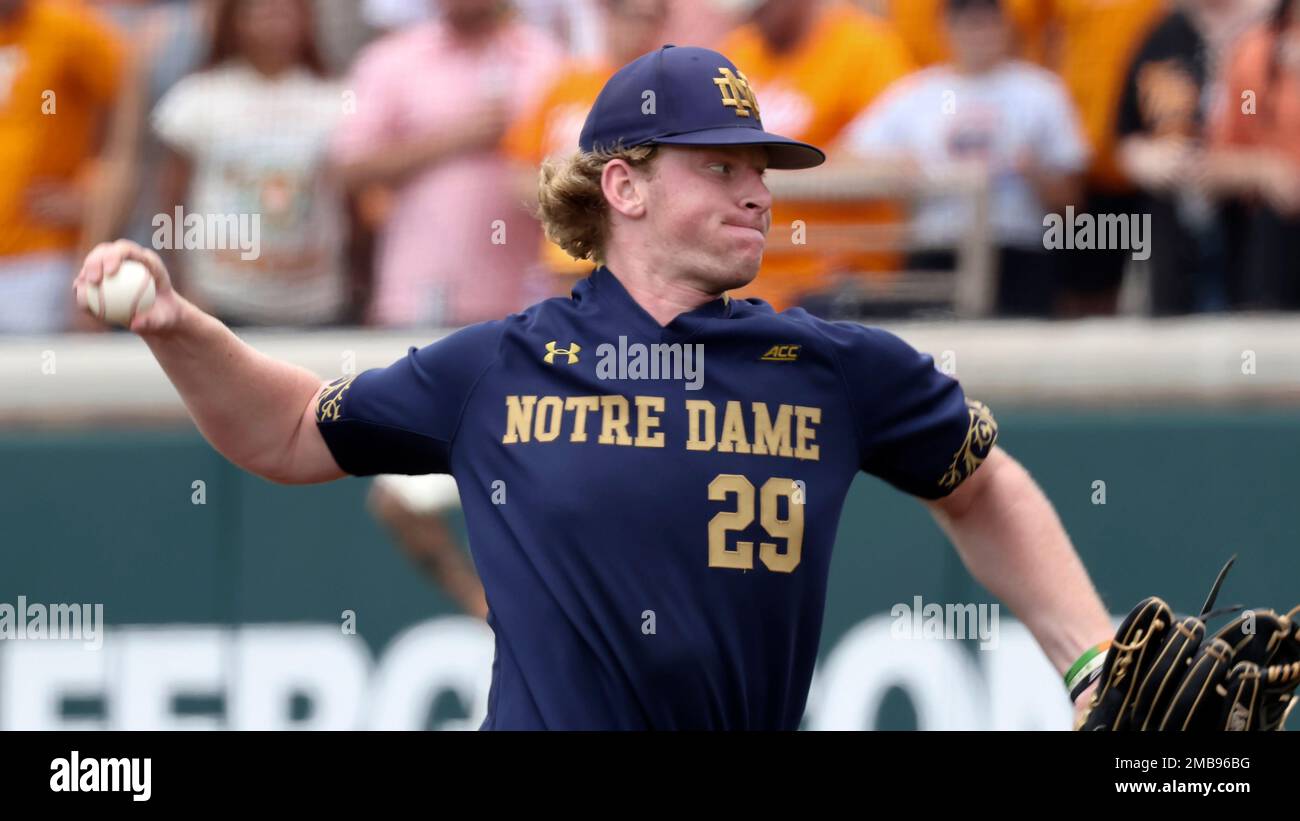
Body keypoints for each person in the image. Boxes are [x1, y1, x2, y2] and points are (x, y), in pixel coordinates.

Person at [73, 45, 1114, 730]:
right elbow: (292, 429)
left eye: (760, 166)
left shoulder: (836, 371)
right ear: (624, 185)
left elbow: (979, 484)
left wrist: (1089, 659)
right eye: (717, 165)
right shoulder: (497, 366)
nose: (755, 187)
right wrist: (179, 324)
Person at [843, 0, 1087, 317]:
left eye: (989, 23)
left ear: (1005, 25)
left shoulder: (1041, 92)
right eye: (971, 23)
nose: (981, 35)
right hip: (938, 247)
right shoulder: (917, 93)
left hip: (1016, 247)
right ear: (947, 28)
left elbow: (1073, 202)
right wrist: (891, 167)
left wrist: (1035, 174)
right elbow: (844, 154)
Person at [151, 0, 351, 327]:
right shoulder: (198, 98)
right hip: (222, 296)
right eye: (261, 10)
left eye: (287, 9)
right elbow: (170, 201)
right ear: (233, 20)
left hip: (314, 301)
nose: (275, 19)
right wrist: (180, 282)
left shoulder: (335, 99)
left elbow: (353, 202)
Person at [0, 0, 125, 334]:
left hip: (37, 259)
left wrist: (94, 192)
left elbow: (129, 108)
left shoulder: (69, 26)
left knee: (33, 381)